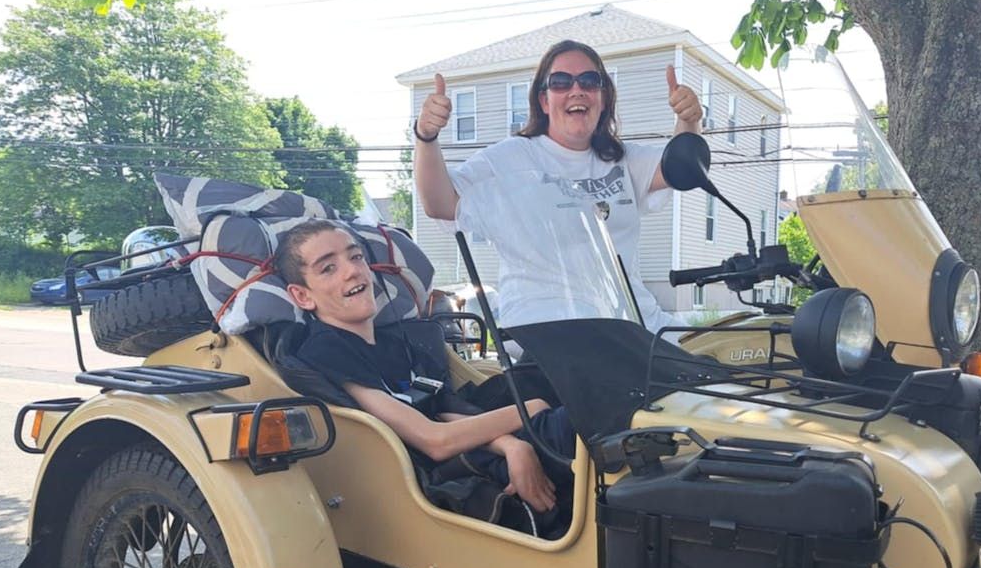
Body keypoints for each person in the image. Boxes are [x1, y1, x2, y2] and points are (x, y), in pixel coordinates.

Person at [275, 218, 575, 524]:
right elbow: (434, 440)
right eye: (328, 268)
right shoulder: (325, 350)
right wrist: (532, 409)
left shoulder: (399, 341)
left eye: (356, 256)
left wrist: (511, 444)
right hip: (446, 479)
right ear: (303, 296)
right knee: (580, 420)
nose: (352, 270)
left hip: (477, 445)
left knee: (563, 351)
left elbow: (440, 410)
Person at [413, 39, 703, 334]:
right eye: (561, 82)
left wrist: (688, 120)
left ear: (603, 98)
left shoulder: (623, 159)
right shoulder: (511, 158)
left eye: (589, 81)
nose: (576, 90)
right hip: (548, 335)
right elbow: (439, 203)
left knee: (718, 354)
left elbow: (682, 166)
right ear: (544, 101)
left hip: (635, 328)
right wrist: (426, 135)